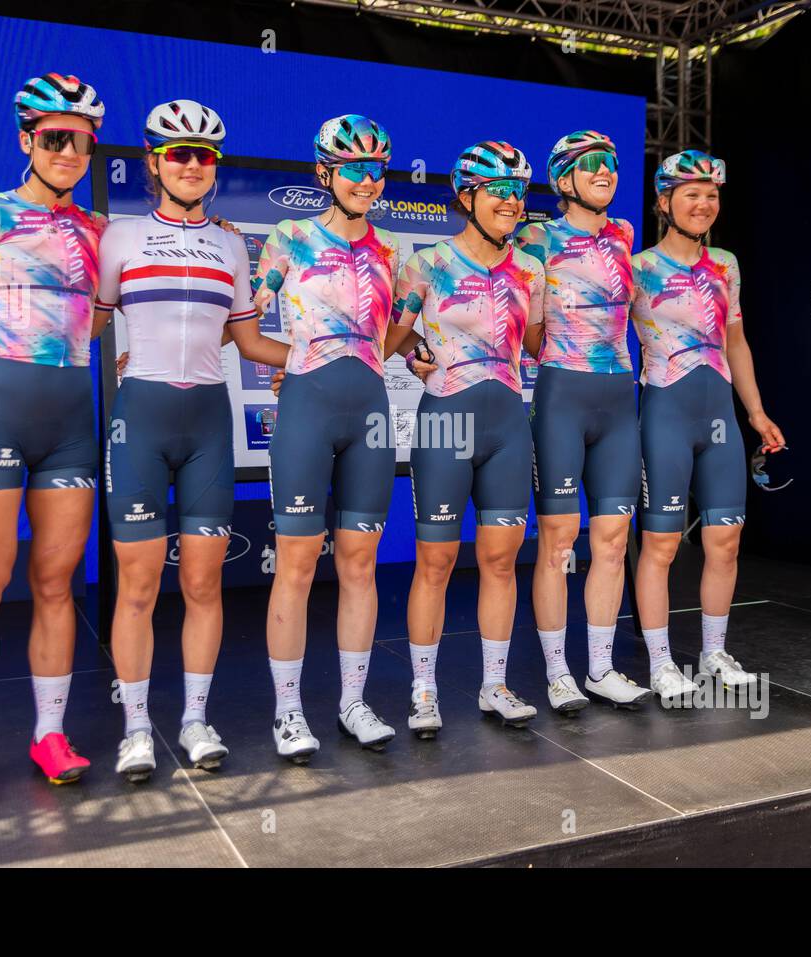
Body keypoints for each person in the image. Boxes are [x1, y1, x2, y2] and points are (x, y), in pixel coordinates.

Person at [95, 100, 289, 781]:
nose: (192, 165)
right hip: (141, 414)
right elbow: (86, 330)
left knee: (205, 583)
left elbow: (251, 341)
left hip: (208, 418)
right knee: (139, 586)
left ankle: (195, 719)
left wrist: (321, 356)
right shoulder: (117, 237)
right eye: (178, 153)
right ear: (153, 162)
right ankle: (137, 728)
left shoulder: (233, 244)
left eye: (204, 154)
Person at [0, 74, 108, 801]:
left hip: (70, 418)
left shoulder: (99, 232)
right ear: (26, 141)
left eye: (81, 139)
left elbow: (95, 321)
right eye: (53, 137)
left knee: (57, 583)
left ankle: (49, 732)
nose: (68, 150)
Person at [383, 141, 545, 736]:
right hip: (445, 421)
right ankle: (423, 692)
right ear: (465, 195)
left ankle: (494, 685)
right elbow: (391, 334)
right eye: (498, 189)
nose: (511, 200)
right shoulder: (426, 263)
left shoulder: (532, 268)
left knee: (501, 562)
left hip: (507, 422)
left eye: (518, 189)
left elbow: (540, 344)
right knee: (437, 560)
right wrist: (415, 356)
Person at [254, 115, 402, 762]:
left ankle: (351, 702)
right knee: (296, 563)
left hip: (370, 407)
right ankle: (288, 712)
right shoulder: (287, 237)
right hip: (307, 406)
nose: (366, 181)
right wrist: (294, 364)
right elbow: (243, 316)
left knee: (360, 563)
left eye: (376, 170)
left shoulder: (395, 250)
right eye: (353, 169)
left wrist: (400, 357)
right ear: (324, 172)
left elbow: (394, 334)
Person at [630, 149, 784, 703]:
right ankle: (661, 661)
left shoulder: (727, 263)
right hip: (665, 413)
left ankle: (714, 654)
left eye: (712, 195)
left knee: (725, 539)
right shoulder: (639, 268)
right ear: (664, 202)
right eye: (691, 194)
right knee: (662, 543)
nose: (704, 204)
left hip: (719, 414)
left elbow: (735, 341)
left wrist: (757, 412)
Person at [514, 130, 648, 713]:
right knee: (559, 541)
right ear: (563, 178)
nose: (607, 173)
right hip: (562, 393)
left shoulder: (623, 233)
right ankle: (557, 672)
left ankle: (600, 667)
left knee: (613, 540)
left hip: (619, 396)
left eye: (613, 166)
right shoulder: (535, 236)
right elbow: (520, 319)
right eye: (594, 165)